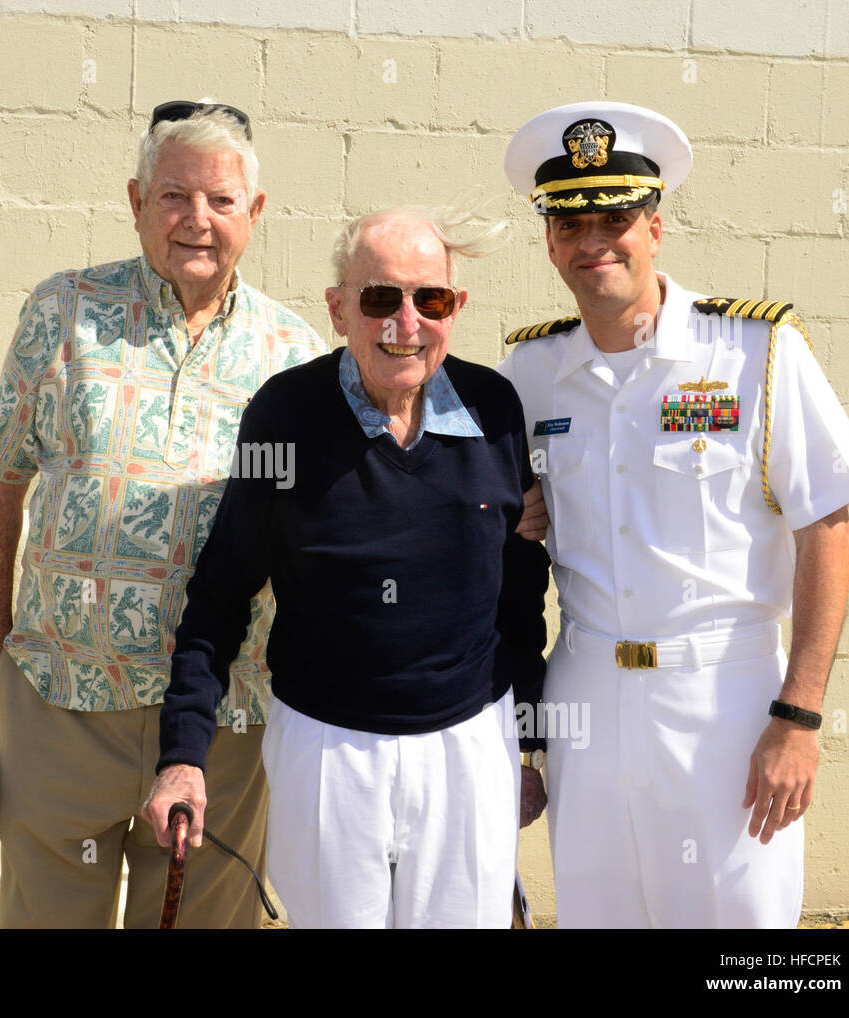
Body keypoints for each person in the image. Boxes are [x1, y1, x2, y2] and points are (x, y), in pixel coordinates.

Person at [498, 101, 849, 928]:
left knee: (740, 929)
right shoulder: (530, 372)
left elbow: (828, 527)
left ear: (657, 226)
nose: (592, 239)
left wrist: (801, 715)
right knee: (600, 913)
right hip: (588, 695)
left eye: (616, 217)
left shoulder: (753, 351)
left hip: (728, 700)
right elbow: (501, 536)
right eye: (569, 222)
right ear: (549, 240)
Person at [0, 100, 329, 928]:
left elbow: (319, 541)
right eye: (173, 196)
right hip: (61, 703)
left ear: (255, 213)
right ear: (135, 201)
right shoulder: (62, 314)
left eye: (222, 200)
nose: (197, 220)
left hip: (226, 723)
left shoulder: (294, 354)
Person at [143, 206, 552, 928]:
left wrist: (531, 742)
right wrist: (183, 753)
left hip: (469, 743)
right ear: (338, 309)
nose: (406, 321)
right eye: (378, 298)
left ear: (456, 308)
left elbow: (519, 598)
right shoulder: (285, 416)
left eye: (430, 299)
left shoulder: (495, 407)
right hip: (327, 747)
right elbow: (220, 594)